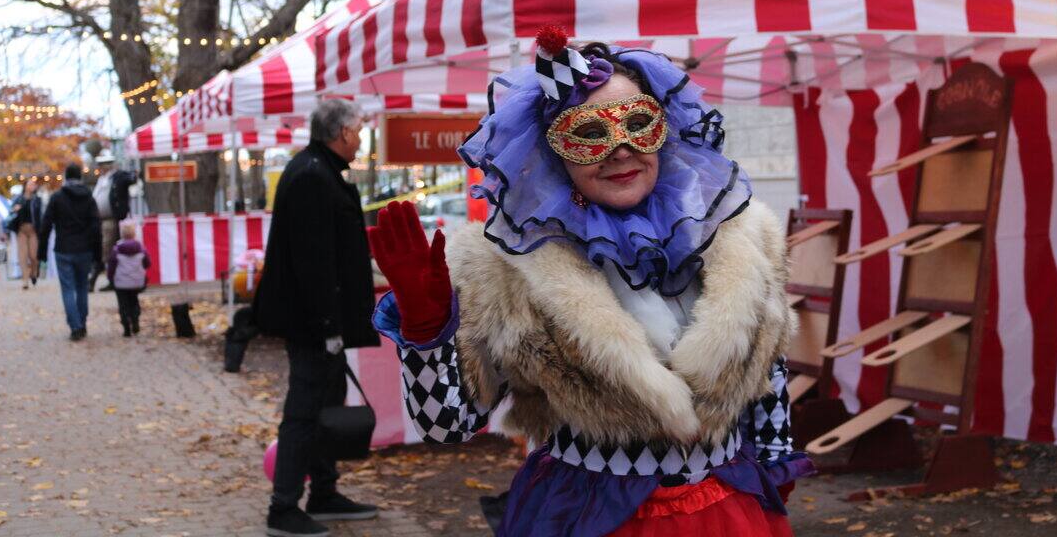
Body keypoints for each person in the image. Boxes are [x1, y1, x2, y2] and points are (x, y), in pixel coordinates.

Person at [369, 30, 813, 537]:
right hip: (589, 517)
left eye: (638, 124)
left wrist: (775, 468)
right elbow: (447, 426)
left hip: (729, 515)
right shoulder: (506, 264)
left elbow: (767, 371)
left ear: (663, 128)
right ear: (554, 152)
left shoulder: (741, 231)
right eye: (589, 134)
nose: (620, 150)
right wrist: (427, 330)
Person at [253, 99, 380, 537]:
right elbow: (312, 262)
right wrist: (327, 326)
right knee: (305, 411)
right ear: (342, 133)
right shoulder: (311, 175)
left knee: (326, 405)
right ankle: (283, 506)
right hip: (314, 323)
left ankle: (324, 492)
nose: (361, 137)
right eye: (359, 130)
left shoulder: (319, 169)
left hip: (325, 319)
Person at [38, 164, 101, 341]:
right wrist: (97, 254)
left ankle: (75, 326)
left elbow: (46, 225)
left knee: (67, 289)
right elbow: (96, 227)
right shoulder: (89, 198)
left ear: (66, 176)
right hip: (85, 249)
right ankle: (81, 322)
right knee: (82, 287)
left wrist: (42, 253)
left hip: (63, 249)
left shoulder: (57, 198)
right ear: (80, 176)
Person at [90, 154, 138, 293]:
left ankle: (108, 279)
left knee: (106, 250)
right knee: (103, 250)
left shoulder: (118, 177)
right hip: (101, 220)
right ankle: (104, 278)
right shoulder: (102, 180)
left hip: (111, 219)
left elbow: (131, 179)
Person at [106, 221, 149, 337]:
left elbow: (111, 267)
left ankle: (126, 326)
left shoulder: (116, 250)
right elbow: (147, 263)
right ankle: (135, 320)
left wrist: (111, 279)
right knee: (134, 301)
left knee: (123, 304)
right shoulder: (141, 248)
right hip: (136, 281)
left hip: (121, 283)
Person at [7, 178, 44, 289]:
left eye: (33, 184)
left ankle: (34, 272)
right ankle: (25, 280)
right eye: (30, 184)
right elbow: (10, 211)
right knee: (22, 256)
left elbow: (41, 215)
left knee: (33, 256)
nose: (32, 186)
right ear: (25, 186)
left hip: (33, 231)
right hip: (21, 230)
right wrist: (15, 209)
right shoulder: (18, 199)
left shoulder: (37, 200)